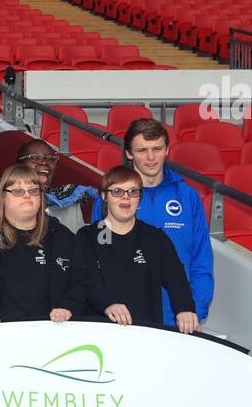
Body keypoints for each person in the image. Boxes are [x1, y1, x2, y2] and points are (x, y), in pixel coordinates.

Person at [91, 118, 213, 323]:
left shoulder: (188, 196)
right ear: (129, 153)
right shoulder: (111, 199)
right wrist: (108, 305)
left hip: (180, 317)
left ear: (167, 150)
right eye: (142, 150)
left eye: (157, 149)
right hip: (125, 319)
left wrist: (196, 312)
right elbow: (97, 261)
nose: (150, 157)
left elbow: (201, 259)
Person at [0, 165, 86, 325]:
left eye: (33, 190)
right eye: (17, 191)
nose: (27, 196)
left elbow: (81, 279)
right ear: (3, 197)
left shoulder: (61, 236)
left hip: (50, 335)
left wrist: (68, 307)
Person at [75, 166, 200, 333]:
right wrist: (107, 304)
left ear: (140, 197)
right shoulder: (87, 236)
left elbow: (176, 278)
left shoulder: (156, 238)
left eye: (133, 191)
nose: (126, 197)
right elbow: (85, 280)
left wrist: (185, 308)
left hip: (145, 335)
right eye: (117, 191)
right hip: (99, 333)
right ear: (104, 195)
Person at [0, 138, 97, 233]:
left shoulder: (70, 201)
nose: (44, 162)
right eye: (35, 158)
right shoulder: (2, 197)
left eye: (51, 159)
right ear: (20, 164)